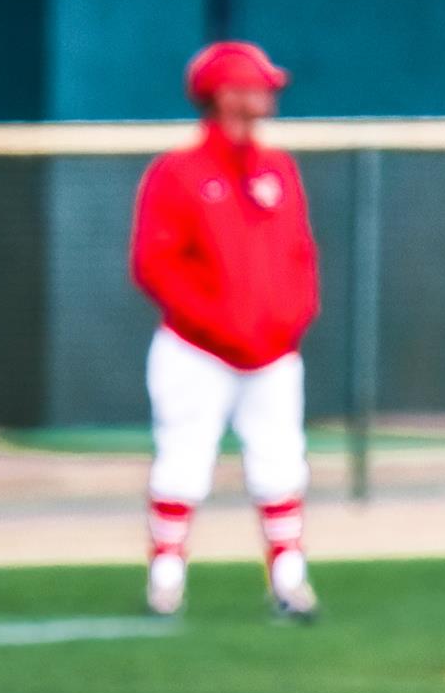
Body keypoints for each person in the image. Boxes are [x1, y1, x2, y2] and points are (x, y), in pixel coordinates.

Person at [129, 41, 320, 619]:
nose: (269, 94)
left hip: (273, 352)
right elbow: (154, 263)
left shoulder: (278, 168)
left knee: (281, 463)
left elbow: (300, 255)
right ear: (225, 94)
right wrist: (216, 325)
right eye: (257, 85)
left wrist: (291, 319)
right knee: (182, 463)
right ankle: (166, 579)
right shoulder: (177, 173)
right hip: (197, 349)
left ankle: (289, 580)